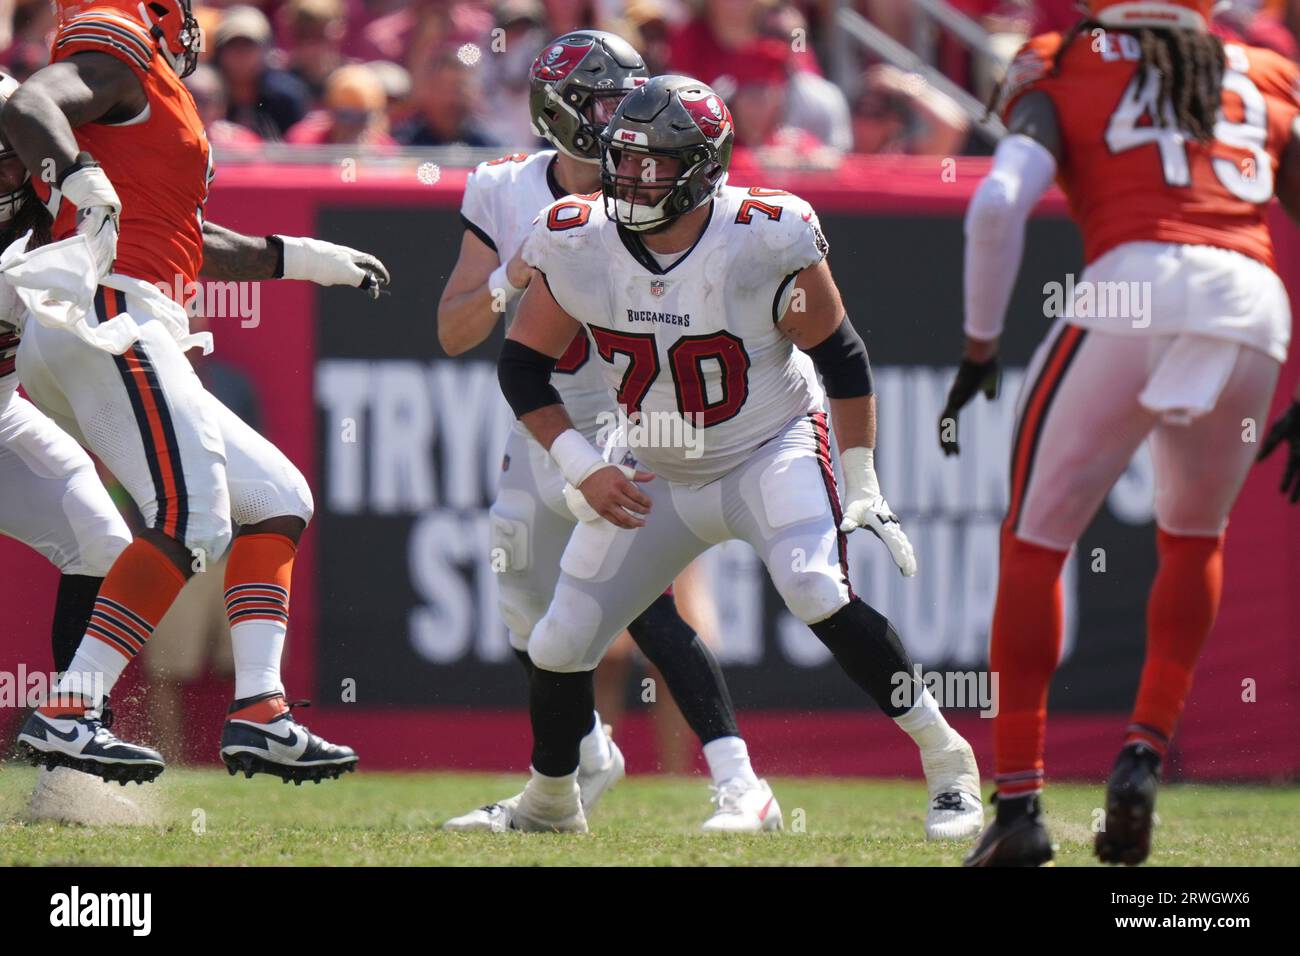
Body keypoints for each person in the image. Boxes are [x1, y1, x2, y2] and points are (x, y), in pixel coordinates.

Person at [471, 73, 984, 837]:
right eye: (628, 159)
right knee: (557, 638)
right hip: (656, 460)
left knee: (816, 588)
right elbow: (521, 364)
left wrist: (863, 478)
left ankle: (950, 765)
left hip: (766, 445)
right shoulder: (577, 236)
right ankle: (550, 803)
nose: (638, 178)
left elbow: (842, 358)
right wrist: (584, 464)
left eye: (659, 163)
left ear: (706, 166)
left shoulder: (767, 233)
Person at [944, 0, 1300, 866]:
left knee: (1035, 542)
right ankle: (1143, 752)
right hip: (1253, 302)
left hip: (1132, 282)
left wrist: (981, 346)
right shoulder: (1268, 70)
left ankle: (1021, 807)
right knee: (1193, 538)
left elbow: (995, 205)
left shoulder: (1065, 60)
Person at [6, 0, 388, 786]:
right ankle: (73, 709)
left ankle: (260, 710)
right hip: (105, 308)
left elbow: (183, 237)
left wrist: (302, 258)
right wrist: (75, 174)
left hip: (133, 309)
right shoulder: (117, 51)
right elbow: (31, 103)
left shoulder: (153, 103)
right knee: (192, 514)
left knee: (278, 497)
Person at [438, 32, 776, 833]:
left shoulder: (661, 179)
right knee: (522, 598)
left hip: (635, 408)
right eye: (596, 101)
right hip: (546, 416)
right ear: (556, 109)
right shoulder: (500, 187)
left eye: (622, 96)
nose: (617, 117)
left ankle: (738, 779)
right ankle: (585, 758)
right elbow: (454, 331)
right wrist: (508, 277)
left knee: (642, 598)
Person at [0, 68, 141, 822]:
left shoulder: (57, 212)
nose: (10, 165)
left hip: (2, 417)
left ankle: (71, 756)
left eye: (13, 146)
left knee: (103, 542)